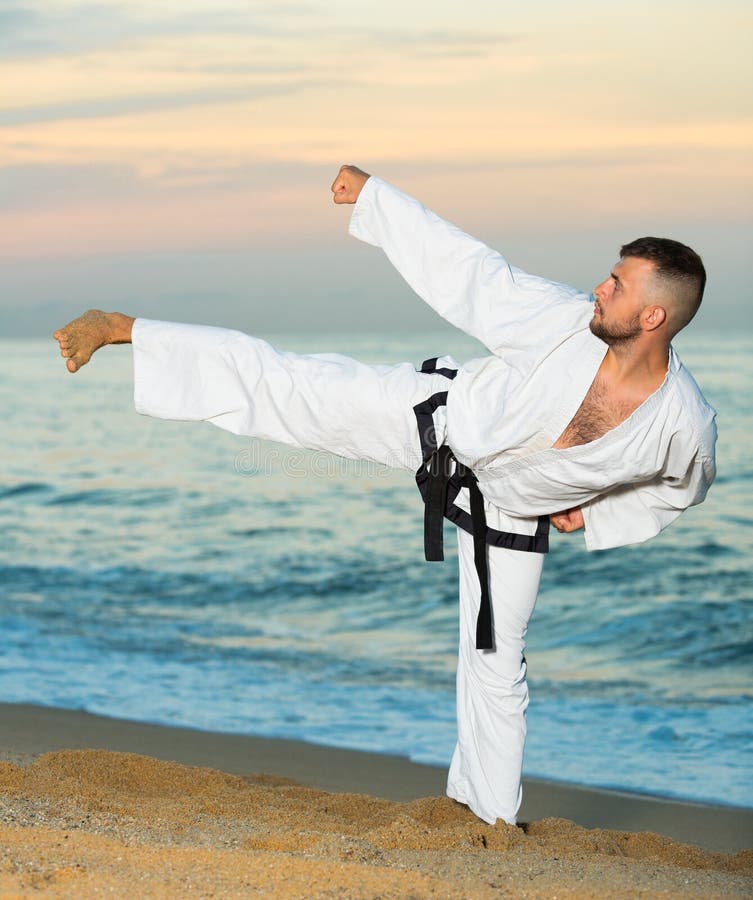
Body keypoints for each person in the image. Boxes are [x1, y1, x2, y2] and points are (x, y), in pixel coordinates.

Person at [53, 165, 717, 827]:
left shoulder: (684, 424)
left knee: (496, 658)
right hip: (439, 423)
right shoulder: (562, 320)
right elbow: (473, 275)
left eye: (617, 284)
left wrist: (595, 508)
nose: (599, 288)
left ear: (653, 316)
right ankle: (125, 328)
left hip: (511, 509)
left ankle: (486, 815)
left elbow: (677, 491)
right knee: (290, 383)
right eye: (608, 274)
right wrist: (377, 199)